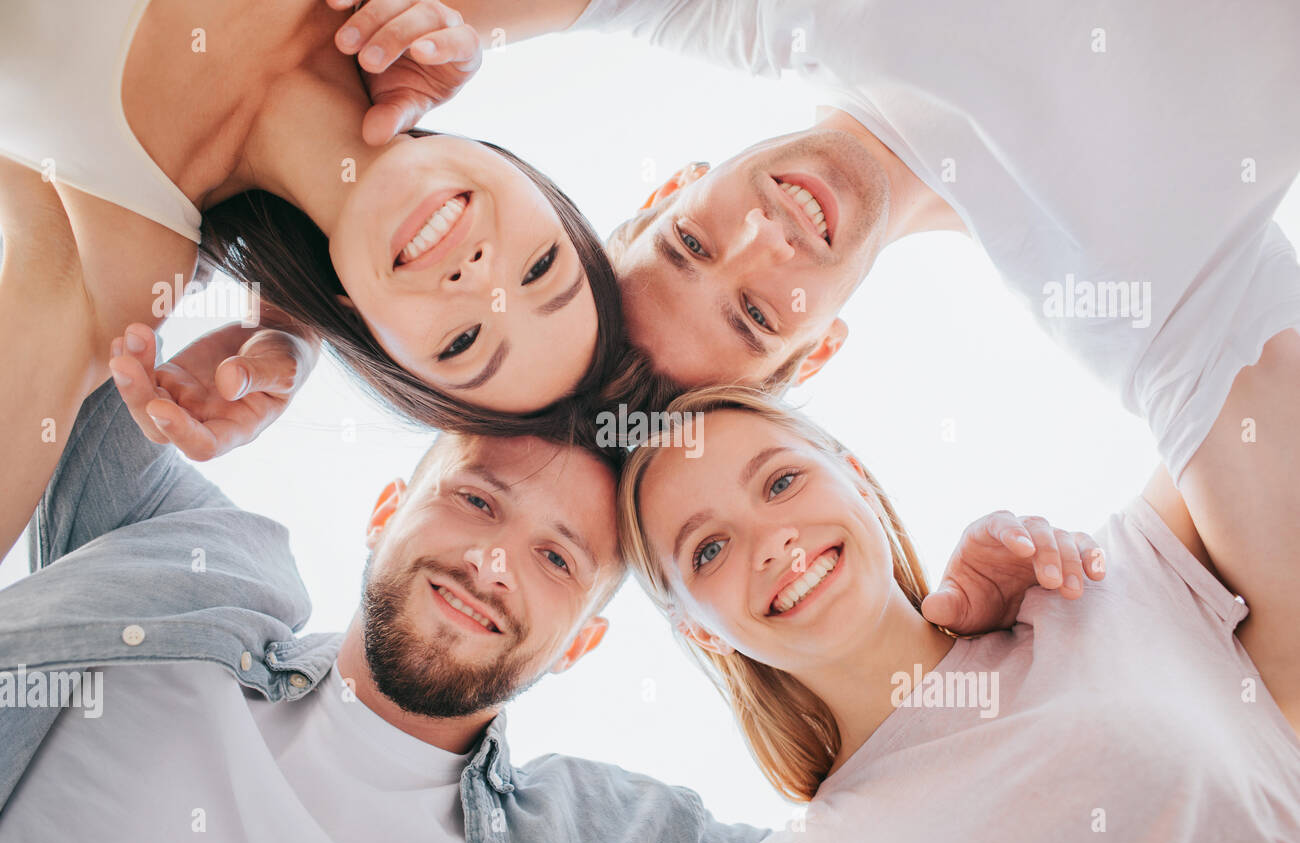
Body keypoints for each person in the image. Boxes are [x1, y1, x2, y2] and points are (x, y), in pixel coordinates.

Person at [397, 0, 1300, 730]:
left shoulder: (756, 15)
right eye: (755, 315)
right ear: (818, 350)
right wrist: (1044, 658)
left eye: (690, 244)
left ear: (669, 190)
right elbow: (1278, 715)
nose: (765, 235)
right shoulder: (1148, 309)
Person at [0, 334, 1086, 843]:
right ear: (388, 503)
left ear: (585, 643)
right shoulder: (198, 567)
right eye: (475, 499)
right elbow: (102, 292)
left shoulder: (608, 840)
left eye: (562, 560)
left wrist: (970, 669)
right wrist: (283, 319)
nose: (496, 563)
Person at [0, 0, 625, 561]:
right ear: (536, 183)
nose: (478, 277)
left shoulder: (125, 257)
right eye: (541, 268)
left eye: (463, 342)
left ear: (367, 328)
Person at [616, 386, 1300, 843]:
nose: (770, 542)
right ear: (698, 632)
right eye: (708, 549)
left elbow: (1240, 366)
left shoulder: (1102, 583)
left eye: (781, 482)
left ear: (857, 479)